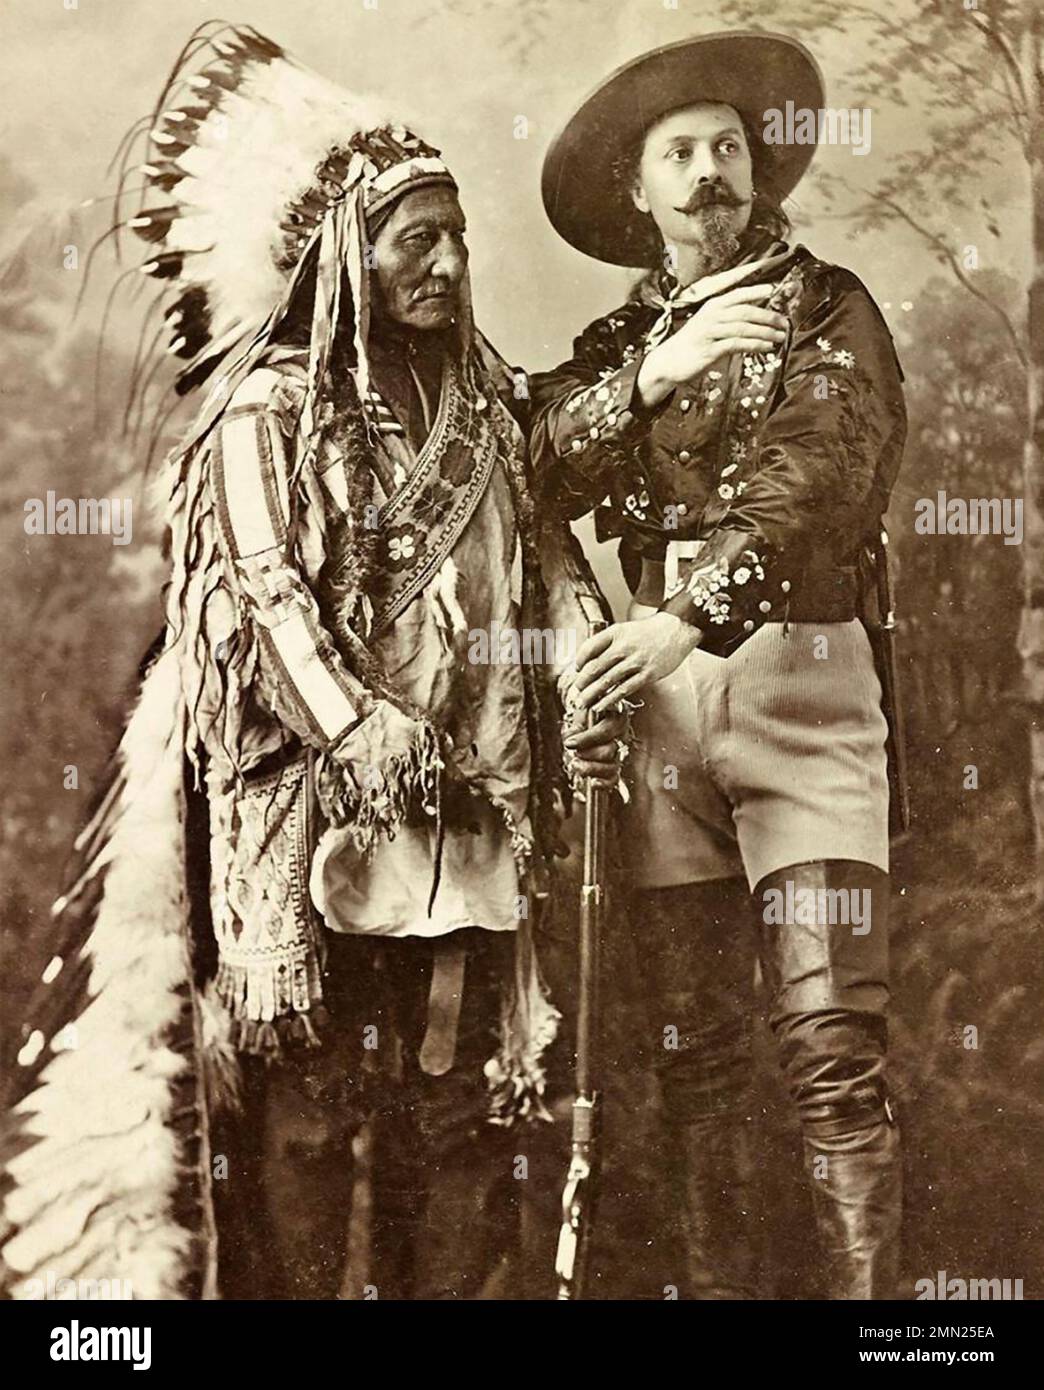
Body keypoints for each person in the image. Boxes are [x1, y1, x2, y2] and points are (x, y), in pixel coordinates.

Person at [0, 22, 622, 1302]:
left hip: (469, 829)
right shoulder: (262, 414)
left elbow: (544, 571)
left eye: (458, 239)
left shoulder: (488, 411)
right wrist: (357, 728)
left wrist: (586, 668)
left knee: (452, 1129)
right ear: (351, 254)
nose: (450, 263)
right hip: (308, 829)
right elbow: (261, 600)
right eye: (418, 242)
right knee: (303, 1131)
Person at [529, 31, 908, 1298]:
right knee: (697, 1061)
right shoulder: (617, 343)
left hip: (803, 683)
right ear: (638, 191)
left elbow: (822, 478)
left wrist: (683, 617)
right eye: (679, 154)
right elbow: (538, 466)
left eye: (728, 149)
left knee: (831, 1047)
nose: (709, 175)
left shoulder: (828, 304)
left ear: (759, 170)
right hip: (655, 717)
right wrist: (654, 376)